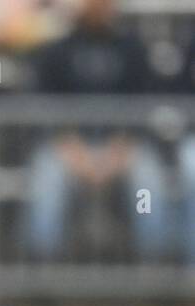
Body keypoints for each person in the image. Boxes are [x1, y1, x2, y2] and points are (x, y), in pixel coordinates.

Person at [22, 0, 168, 260]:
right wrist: (76, 155)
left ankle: (154, 262)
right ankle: (42, 267)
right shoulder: (57, 50)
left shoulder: (132, 50)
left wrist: (118, 152)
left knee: (147, 181)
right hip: (68, 147)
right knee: (48, 181)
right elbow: (46, 108)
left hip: (124, 147)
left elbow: (143, 106)